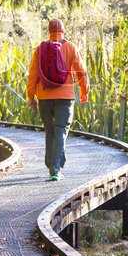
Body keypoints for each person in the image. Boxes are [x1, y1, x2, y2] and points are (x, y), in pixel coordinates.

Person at [27, 19, 89, 181]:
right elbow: (81, 72)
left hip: (45, 96)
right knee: (61, 130)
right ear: (63, 31)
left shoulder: (40, 49)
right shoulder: (70, 47)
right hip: (65, 97)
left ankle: (51, 165)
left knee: (50, 130)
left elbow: (32, 75)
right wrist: (84, 92)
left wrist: (30, 96)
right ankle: (56, 168)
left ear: (49, 31)